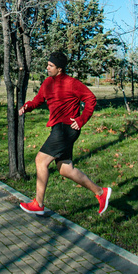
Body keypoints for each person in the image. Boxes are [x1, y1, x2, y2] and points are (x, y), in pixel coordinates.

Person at [18, 49, 111, 216]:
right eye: (47, 64)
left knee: (40, 160)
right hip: (58, 128)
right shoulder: (47, 83)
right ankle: (101, 193)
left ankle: (38, 204)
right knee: (65, 169)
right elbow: (38, 100)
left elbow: (91, 99)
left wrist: (82, 119)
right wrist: (27, 107)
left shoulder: (72, 83)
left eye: (50, 65)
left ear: (59, 68)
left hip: (66, 128)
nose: (47, 67)